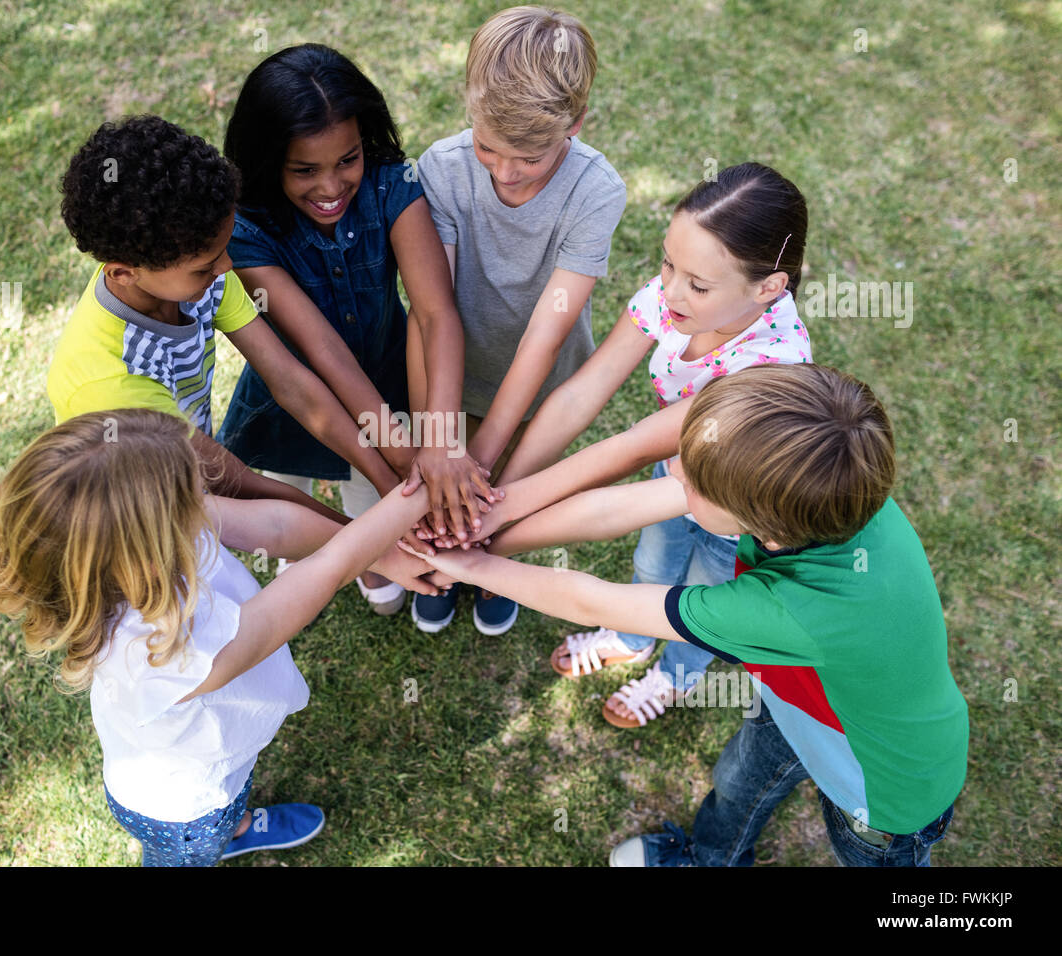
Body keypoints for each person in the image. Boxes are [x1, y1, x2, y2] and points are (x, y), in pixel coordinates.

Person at [402, 364, 968, 867]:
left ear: (766, 530)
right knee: (737, 783)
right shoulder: (826, 487)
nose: (675, 474)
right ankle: (711, 857)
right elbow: (615, 509)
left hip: (881, 790)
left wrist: (475, 571)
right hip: (802, 702)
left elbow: (591, 600)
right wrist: (484, 542)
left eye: (691, 482)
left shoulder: (785, 611)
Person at [0, 408, 439, 866]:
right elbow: (315, 578)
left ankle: (236, 827)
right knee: (192, 850)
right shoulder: (157, 652)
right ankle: (225, 834)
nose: (206, 500)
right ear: (151, 551)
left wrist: (385, 557)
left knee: (232, 791)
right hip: (183, 812)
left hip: (213, 763)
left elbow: (275, 527)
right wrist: (413, 499)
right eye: (195, 497)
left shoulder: (139, 542)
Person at [476, 163, 812, 727]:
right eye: (667, 262)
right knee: (654, 559)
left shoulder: (766, 368)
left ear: (769, 288)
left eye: (698, 284)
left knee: (705, 602)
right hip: (676, 475)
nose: (670, 290)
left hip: (741, 516)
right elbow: (581, 394)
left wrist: (494, 521)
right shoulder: (672, 296)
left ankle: (677, 674)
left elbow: (625, 449)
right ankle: (631, 637)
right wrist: (495, 494)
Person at [218, 44, 494, 617]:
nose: (330, 186)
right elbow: (321, 352)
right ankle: (321, 545)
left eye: (347, 160)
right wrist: (399, 451)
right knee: (285, 493)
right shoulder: (247, 230)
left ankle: (369, 553)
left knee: (384, 560)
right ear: (269, 161)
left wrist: (439, 438)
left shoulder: (394, 184)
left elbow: (436, 312)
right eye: (304, 170)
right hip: (294, 398)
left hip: (387, 384)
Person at [48, 115, 399, 526]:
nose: (228, 267)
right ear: (123, 273)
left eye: (225, 248)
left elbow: (290, 381)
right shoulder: (110, 383)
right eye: (205, 266)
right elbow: (235, 483)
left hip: (185, 476)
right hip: (126, 518)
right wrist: (364, 537)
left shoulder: (193, 269)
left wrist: (385, 480)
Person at [411, 5, 627, 635]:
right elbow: (433, 308)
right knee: (456, 482)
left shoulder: (597, 191)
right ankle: (446, 562)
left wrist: (474, 457)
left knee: (511, 489)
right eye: (487, 147)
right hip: (455, 374)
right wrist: (442, 438)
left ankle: (493, 565)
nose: (503, 171)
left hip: (543, 379)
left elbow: (548, 326)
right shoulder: (443, 170)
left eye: (528, 158)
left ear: (576, 124)